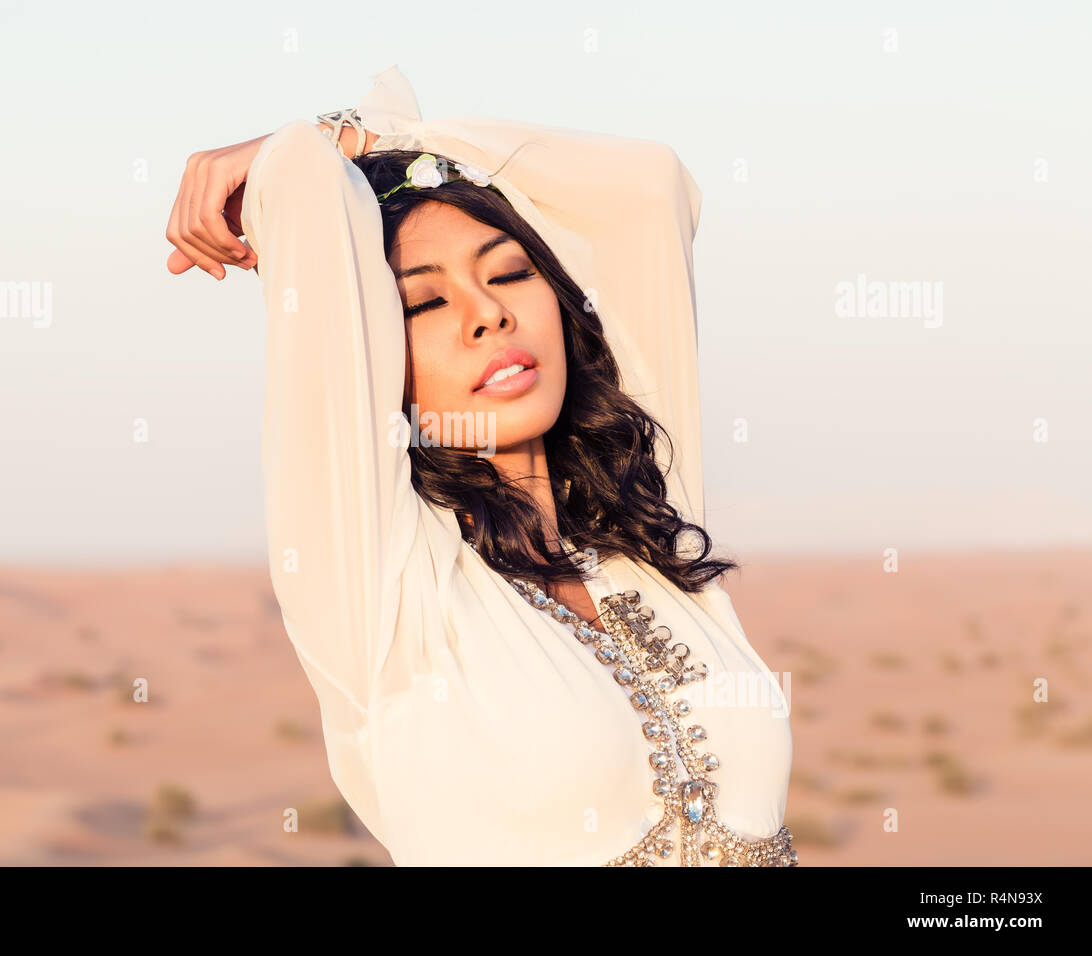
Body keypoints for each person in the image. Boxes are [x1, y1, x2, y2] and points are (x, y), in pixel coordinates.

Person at [165, 65, 796, 867]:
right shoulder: (385, 589)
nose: (488, 313)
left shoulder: (649, 533)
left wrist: (405, 145)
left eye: (508, 274)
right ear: (374, 356)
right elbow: (304, 187)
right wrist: (341, 142)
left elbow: (648, 187)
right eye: (425, 304)